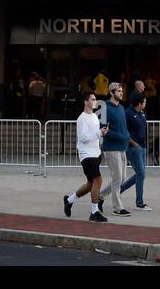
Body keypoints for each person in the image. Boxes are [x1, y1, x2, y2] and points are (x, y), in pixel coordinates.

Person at [63, 92, 108, 222]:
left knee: (90, 184)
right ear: (86, 102)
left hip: (95, 153)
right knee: (98, 180)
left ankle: (69, 200)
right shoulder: (82, 118)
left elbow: (95, 135)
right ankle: (94, 212)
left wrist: (102, 134)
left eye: (95, 99)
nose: (95, 101)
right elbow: (83, 138)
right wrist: (99, 133)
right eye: (93, 99)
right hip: (86, 154)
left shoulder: (94, 116)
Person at [98, 82, 132, 215]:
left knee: (122, 178)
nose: (121, 93)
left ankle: (100, 196)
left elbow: (123, 126)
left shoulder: (122, 108)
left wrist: (126, 136)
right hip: (111, 148)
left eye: (122, 90)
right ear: (111, 93)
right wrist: (119, 136)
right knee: (117, 178)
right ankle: (118, 208)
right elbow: (103, 129)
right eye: (118, 91)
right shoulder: (105, 108)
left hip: (122, 147)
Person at [118, 96, 152, 210]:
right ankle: (139, 203)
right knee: (141, 173)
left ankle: (119, 190)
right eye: (145, 101)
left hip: (142, 146)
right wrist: (133, 143)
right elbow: (124, 130)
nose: (146, 103)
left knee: (140, 174)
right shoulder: (128, 113)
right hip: (133, 147)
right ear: (139, 103)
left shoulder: (142, 113)